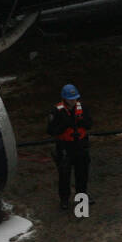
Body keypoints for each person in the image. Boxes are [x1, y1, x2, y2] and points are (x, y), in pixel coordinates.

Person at [46, 83, 91, 212]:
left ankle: (82, 197)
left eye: (75, 99)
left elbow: (89, 124)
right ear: (64, 99)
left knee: (82, 173)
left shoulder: (82, 108)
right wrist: (63, 126)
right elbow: (50, 130)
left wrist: (81, 122)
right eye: (71, 99)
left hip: (81, 144)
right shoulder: (56, 111)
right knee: (64, 175)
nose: (73, 101)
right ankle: (64, 199)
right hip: (65, 147)